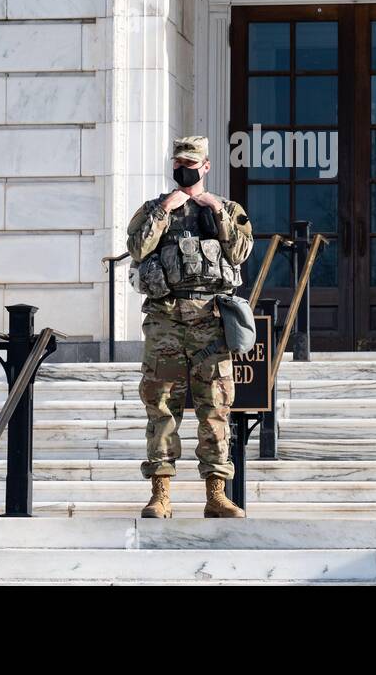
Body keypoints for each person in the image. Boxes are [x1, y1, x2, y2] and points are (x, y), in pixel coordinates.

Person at [126, 135, 253, 518]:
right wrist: (165, 209)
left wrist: (216, 210)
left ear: (206, 166)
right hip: (165, 320)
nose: (184, 170)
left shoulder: (228, 209)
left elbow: (241, 252)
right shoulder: (153, 209)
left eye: (192, 164)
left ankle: (216, 494)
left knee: (214, 407)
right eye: (178, 163)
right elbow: (136, 249)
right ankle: (160, 494)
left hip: (211, 323)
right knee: (160, 406)